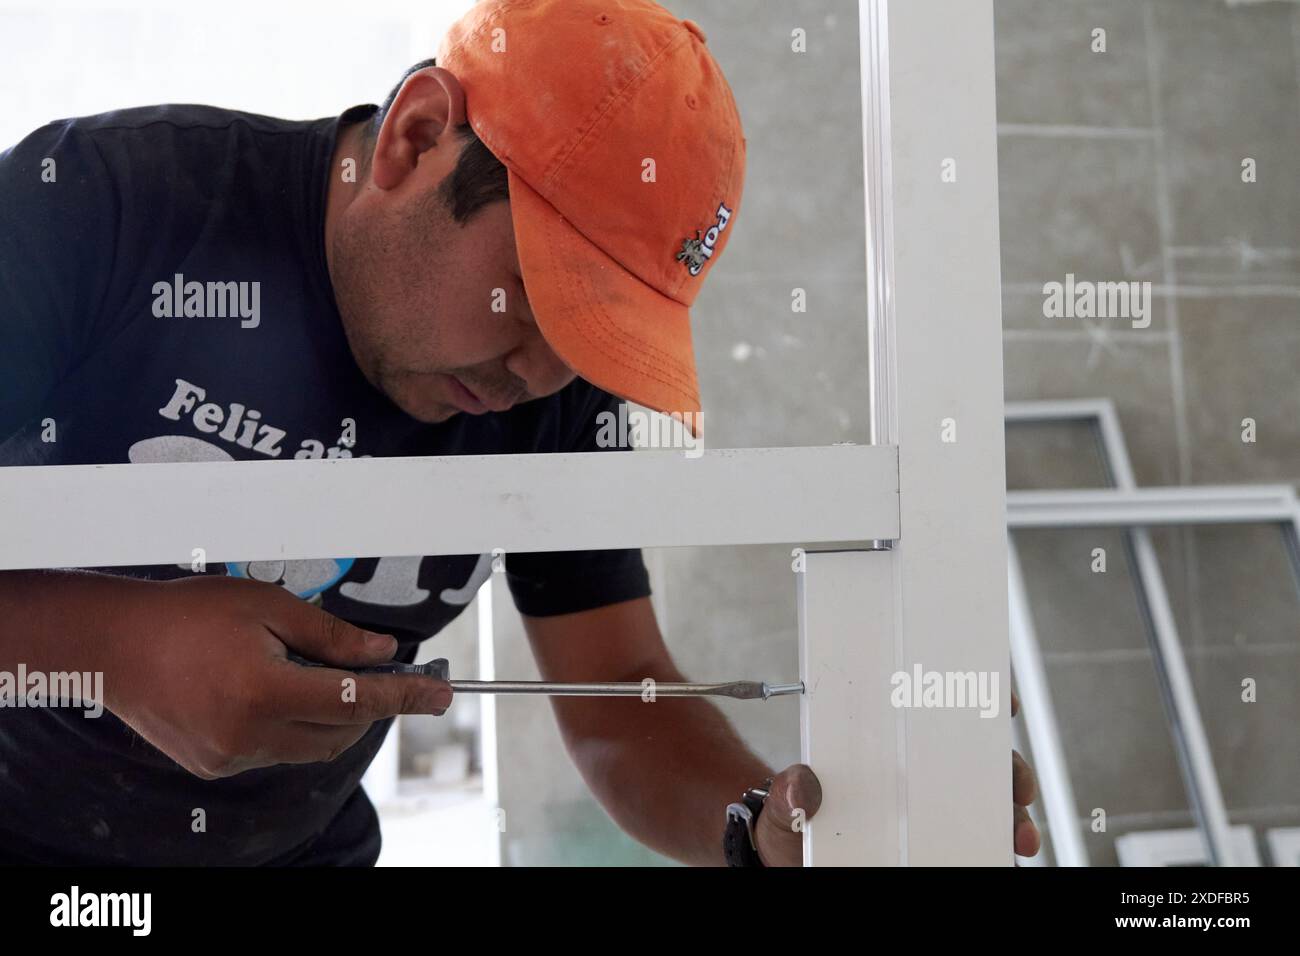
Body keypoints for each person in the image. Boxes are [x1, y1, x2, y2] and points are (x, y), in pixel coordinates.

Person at [0, 0, 1039, 866]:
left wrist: (772, 831)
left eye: (595, 338)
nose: (540, 371)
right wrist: (108, 649)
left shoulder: (553, 393)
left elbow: (618, 699)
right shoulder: (101, 208)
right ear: (416, 135)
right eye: (534, 297)